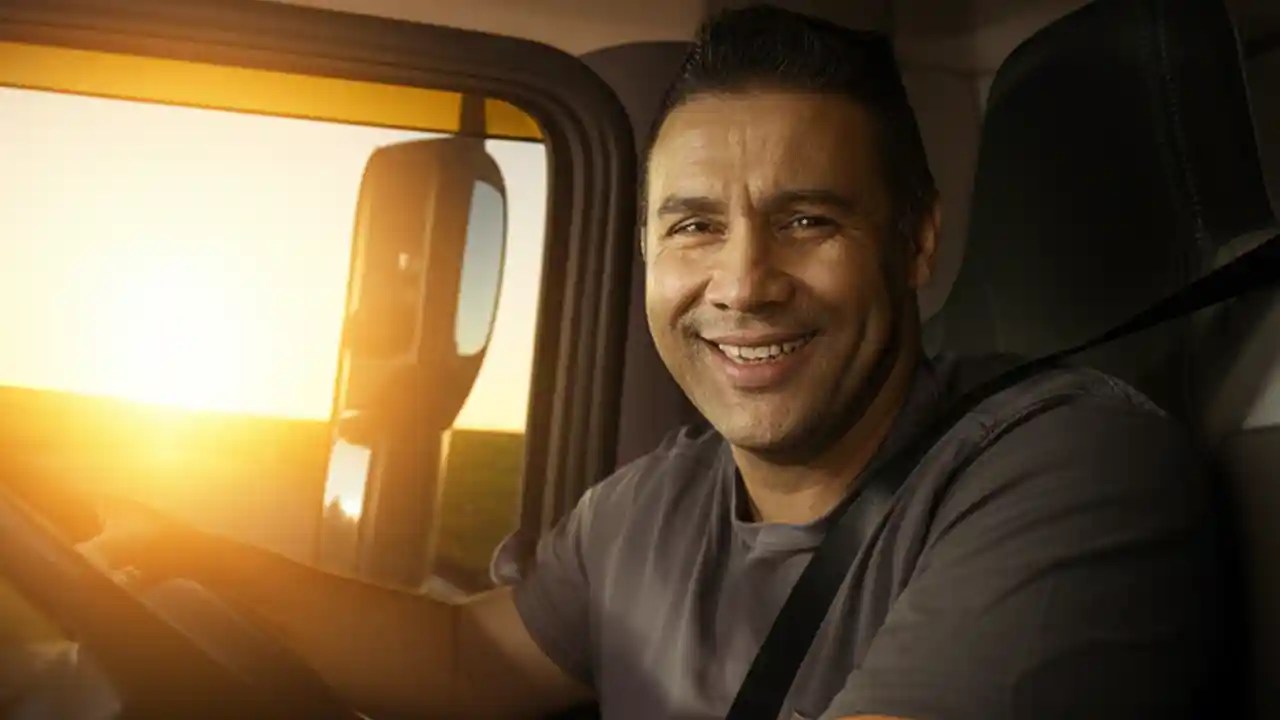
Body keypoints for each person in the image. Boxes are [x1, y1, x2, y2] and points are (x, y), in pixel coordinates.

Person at [89, 5, 1226, 719]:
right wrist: (186, 555)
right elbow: (468, 661)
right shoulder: (650, 503)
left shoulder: (1070, 470)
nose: (741, 283)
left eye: (807, 220)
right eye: (693, 227)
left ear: (915, 240)